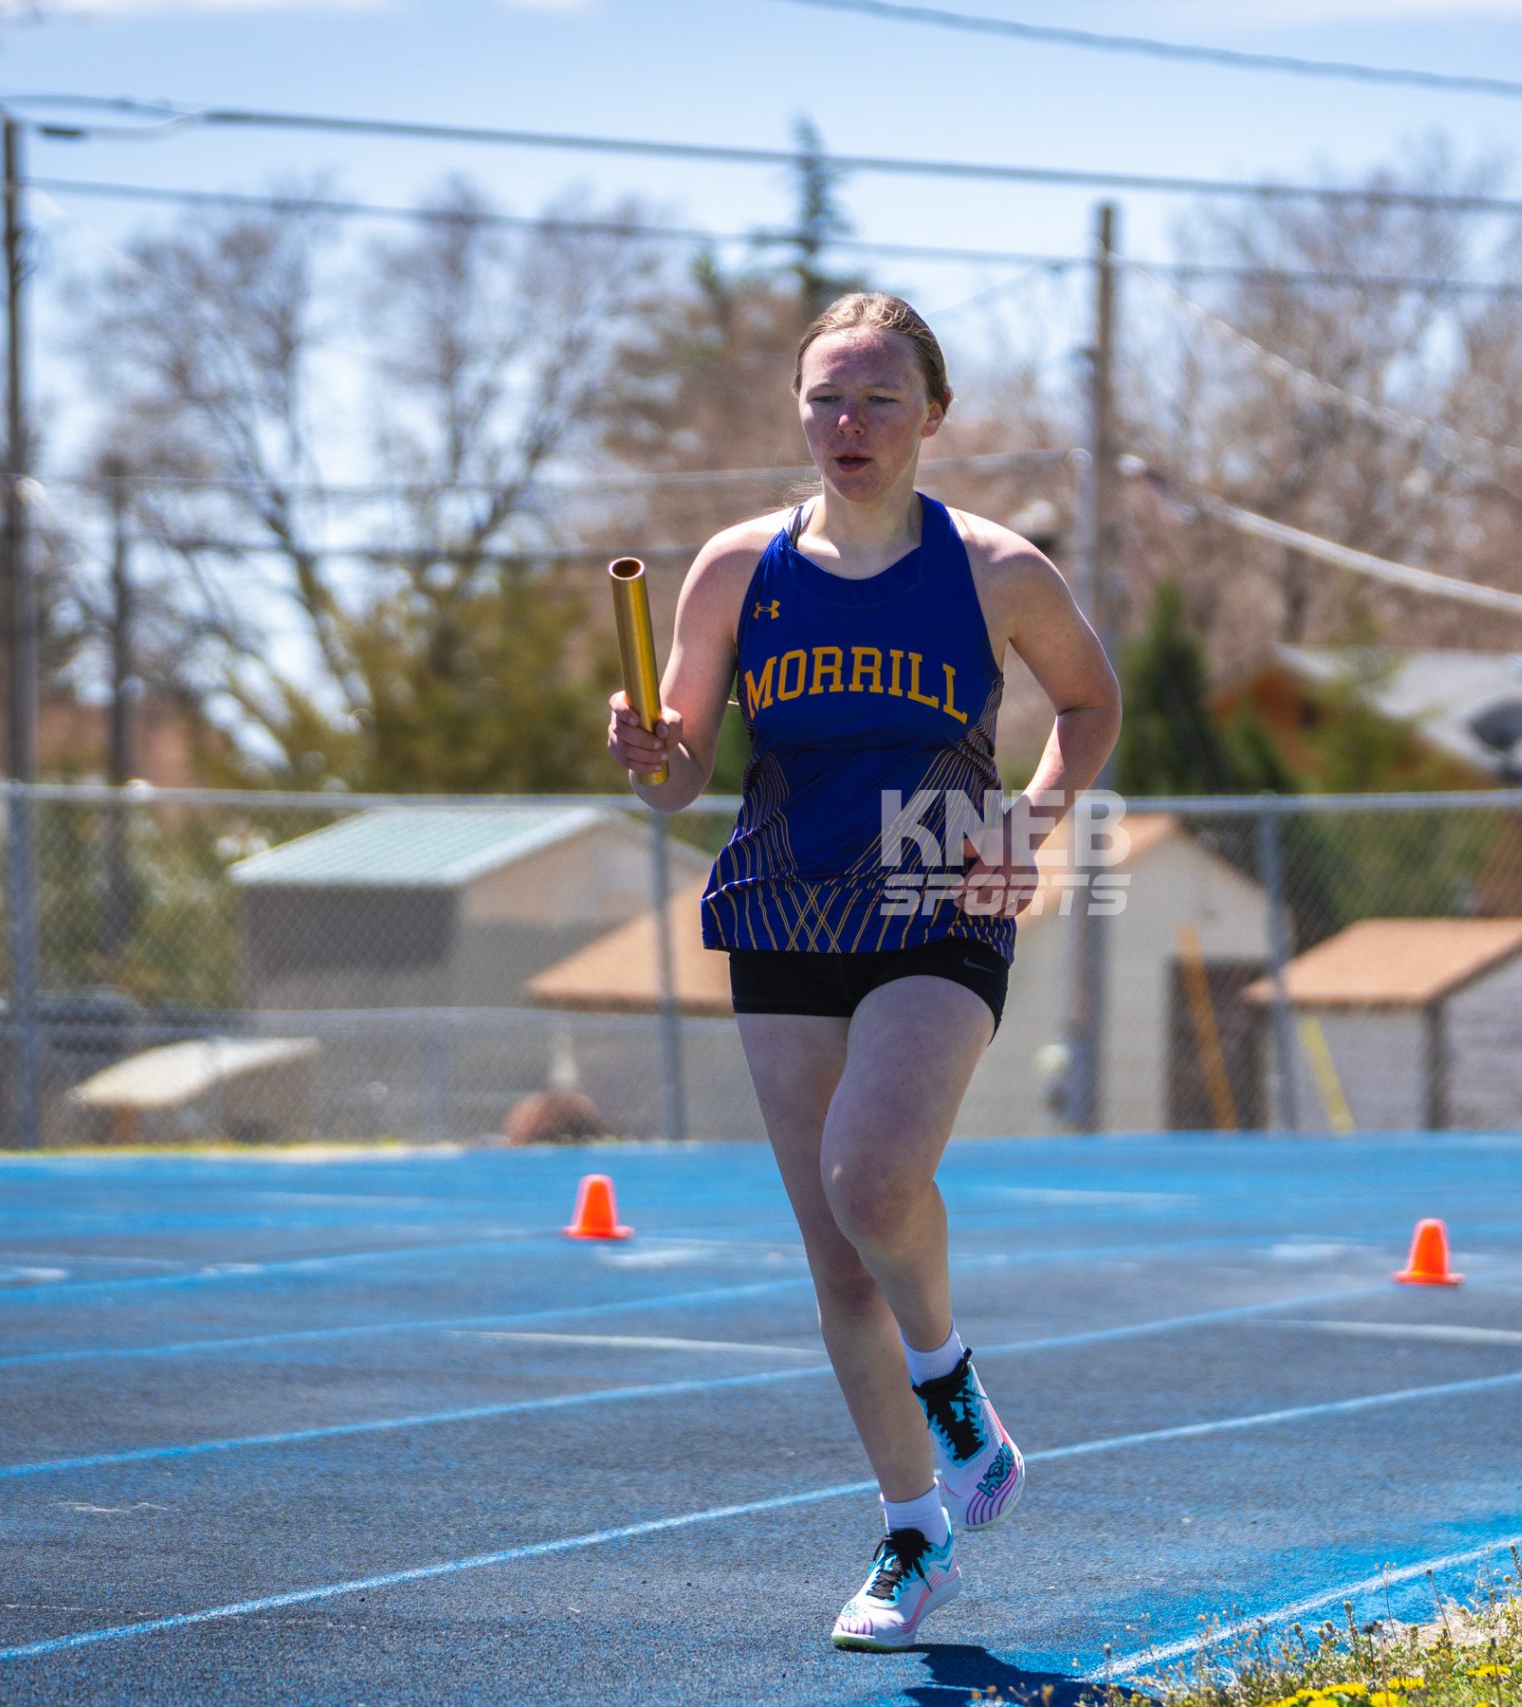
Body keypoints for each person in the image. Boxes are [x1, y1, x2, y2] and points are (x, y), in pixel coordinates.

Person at [605, 292, 1121, 1650]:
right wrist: (653, 760)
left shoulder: (996, 569)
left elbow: (1090, 702)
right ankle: (913, 1535)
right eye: (828, 398)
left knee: (874, 1175)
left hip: (936, 892)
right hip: (780, 911)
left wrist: (1039, 812)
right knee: (839, 1267)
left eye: (880, 399)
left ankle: (953, 1391)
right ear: (799, 412)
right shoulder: (732, 569)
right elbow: (681, 775)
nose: (850, 423)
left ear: (933, 418)